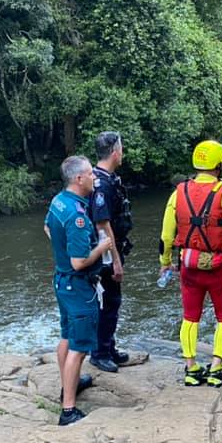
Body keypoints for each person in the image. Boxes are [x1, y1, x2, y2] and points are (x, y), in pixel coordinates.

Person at [159, 140, 222, 387]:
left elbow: (166, 237)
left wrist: (165, 262)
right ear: (218, 165)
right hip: (219, 268)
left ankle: (191, 368)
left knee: (190, 317)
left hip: (188, 267)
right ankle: (217, 367)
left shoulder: (177, 193)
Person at [45, 155, 112, 426]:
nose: (95, 178)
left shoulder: (58, 201)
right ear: (79, 179)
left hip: (62, 281)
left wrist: (63, 249)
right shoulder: (77, 216)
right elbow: (79, 261)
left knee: (66, 335)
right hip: (78, 285)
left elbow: (48, 227)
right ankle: (68, 410)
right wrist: (102, 247)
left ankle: (68, 385)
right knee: (79, 347)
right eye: (90, 175)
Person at [89, 131, 133, 373]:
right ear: (115, 152)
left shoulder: (103, 178)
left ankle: (108, 346)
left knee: (110, 302)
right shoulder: (101, 183)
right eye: (122, 148)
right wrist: (115, 260)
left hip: (107, 249)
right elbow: (103, 225)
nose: (123, 152)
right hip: (104, 254)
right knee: (108, 301)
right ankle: (100, 352)